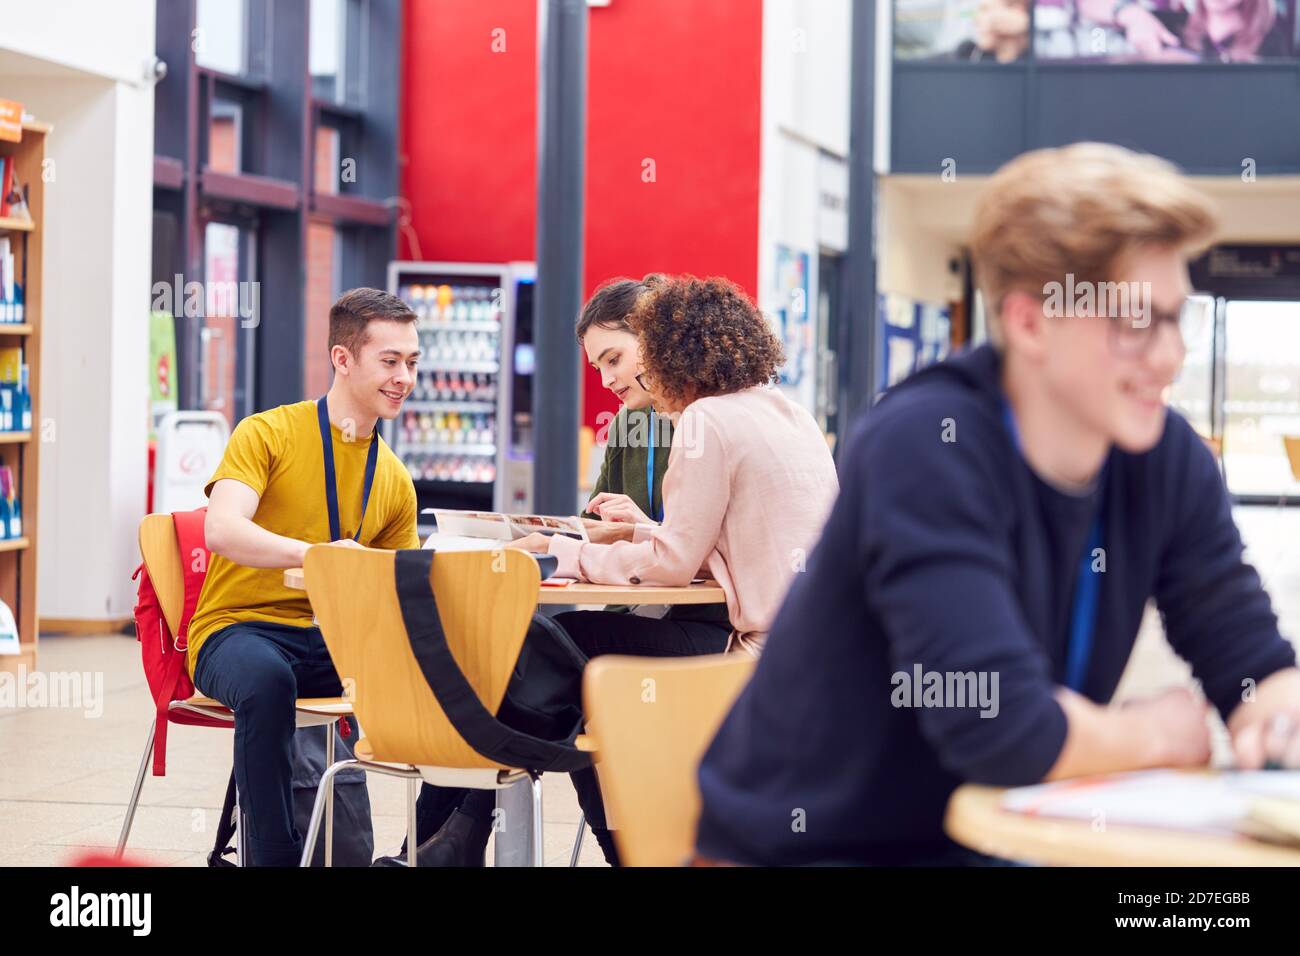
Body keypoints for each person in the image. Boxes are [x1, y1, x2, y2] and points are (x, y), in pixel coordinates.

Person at [693, 142, 1300, 866]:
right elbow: (1001, 728)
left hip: (998, 846)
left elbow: (1251, 660)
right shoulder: (924, 444)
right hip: (814, 851)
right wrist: (1159, 733)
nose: (1169, 356)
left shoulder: (1163, 457)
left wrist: (1277, 710)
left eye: (1178, 320)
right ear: (1030, 322)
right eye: (1137, 321)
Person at [389, 274, 840, 867]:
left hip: (745, 658)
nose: (621, 379)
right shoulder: (790, 414)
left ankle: (456, 842)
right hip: (810, 658)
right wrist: (637, 532)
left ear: (669, 349)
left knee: (558, 655)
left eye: (625, 358)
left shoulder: (707, 421)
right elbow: (729, 544)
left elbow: (675, 566)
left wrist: (565, 552)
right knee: (573, 679)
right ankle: (468, 842)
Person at [187, 288, 421, 867]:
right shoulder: (266, 433)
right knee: (268, 682)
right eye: (389, 361)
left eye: (412, 363)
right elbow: (222, 530)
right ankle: (270, 858)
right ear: (343, 359)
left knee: (461, 678)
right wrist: (318, 554)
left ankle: (439, 844)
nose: (404, 378)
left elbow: (396, 588)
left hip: (330, 639)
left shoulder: (393, 479)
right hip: (236, 632)